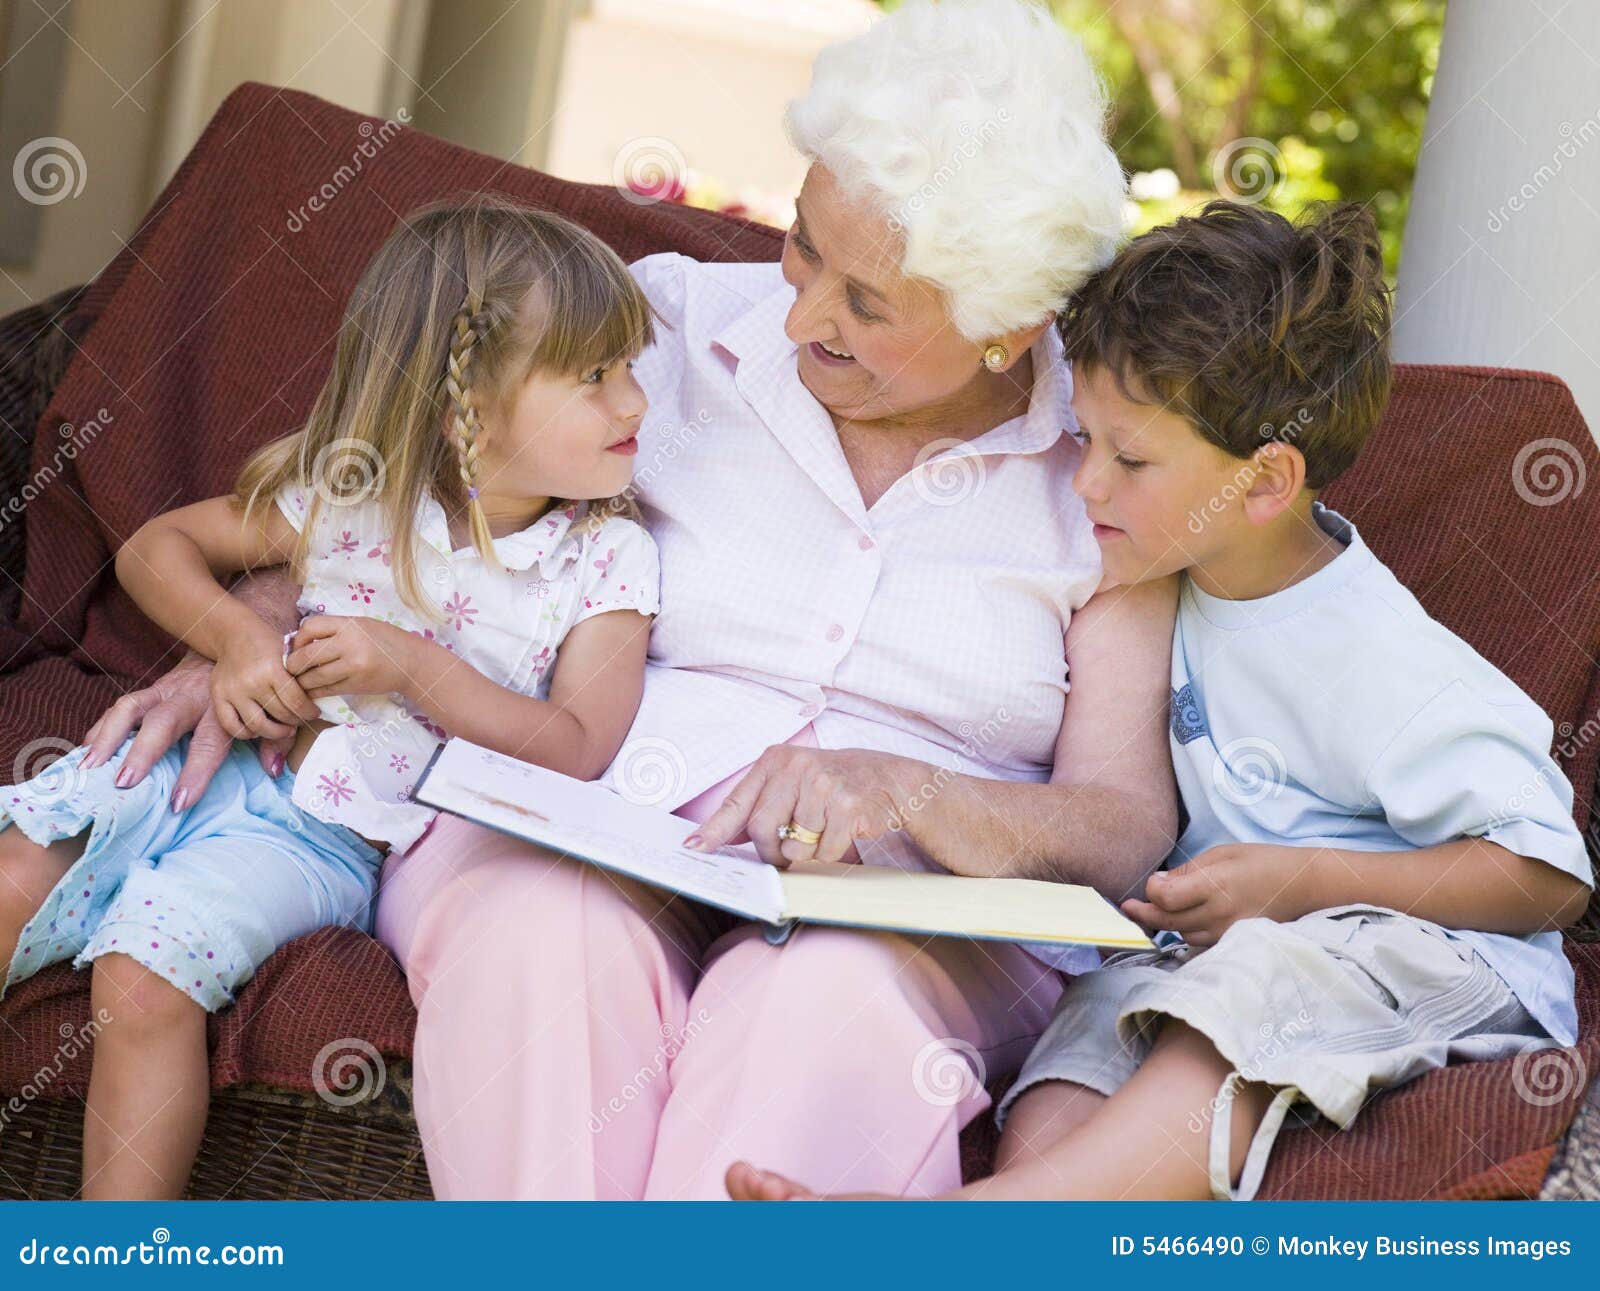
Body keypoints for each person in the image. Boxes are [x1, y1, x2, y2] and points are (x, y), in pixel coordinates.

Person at [76, 0, 1179, 1199]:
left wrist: (913, 791)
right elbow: (428, 492)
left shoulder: (1109, 464)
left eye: (866, 305)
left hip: (909, 911)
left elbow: (1124, 824)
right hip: (578, 812)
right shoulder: (666, 325)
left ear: (1009, 326)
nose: (801, 315)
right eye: (804, 245)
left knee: (824, 1003)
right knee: (538, 935)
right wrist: (251, 630)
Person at [725, 201, 1593, 1203]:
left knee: (1245, 988)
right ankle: (1019, 1226)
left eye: (1129, 459)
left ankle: (955, 1232)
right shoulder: (1167, 577)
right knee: (1092, 1028)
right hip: (1214, 948)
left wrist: (1300, 880)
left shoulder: (1373, 649)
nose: (1084, 482)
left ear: (1264, 482)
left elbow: (1546, 879)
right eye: (1082, 438)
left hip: (1430, 953)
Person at [0, 196, 662, 1199]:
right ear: (467, 409)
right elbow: (157, 546)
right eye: (596, 376)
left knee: (143, 976)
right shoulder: (357, 495)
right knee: (10, 882)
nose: (636, 404)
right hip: (192, 764)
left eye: (630, 368)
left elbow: (577, 744)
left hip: (323, 836)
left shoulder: (603, 559)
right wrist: (238, 640)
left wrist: (415, 667)